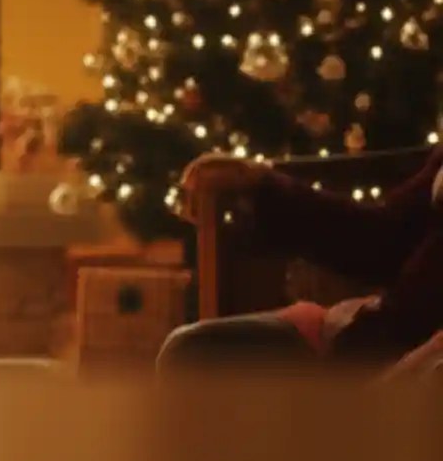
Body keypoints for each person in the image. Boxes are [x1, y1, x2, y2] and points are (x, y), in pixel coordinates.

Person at [159, 148, 443, 378]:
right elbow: (381, 240)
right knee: (191, 354)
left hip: (411, 369)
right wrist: (258, 183)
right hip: (370, 341)